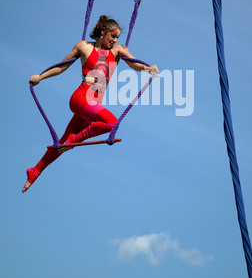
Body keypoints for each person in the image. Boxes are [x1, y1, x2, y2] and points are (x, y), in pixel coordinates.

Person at [22, 15, 159, 193]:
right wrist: (40, 77)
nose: (115, 40)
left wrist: (148, 69)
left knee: (62, 144)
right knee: (111, 122)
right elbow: (62, 66)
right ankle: (74, 141)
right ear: (103, 31)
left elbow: (135, 64)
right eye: (113, 36)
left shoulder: (118, 50)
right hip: (81, 98)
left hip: (92, 106)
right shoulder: (84, 47)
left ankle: (35, 171)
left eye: (117, 37)